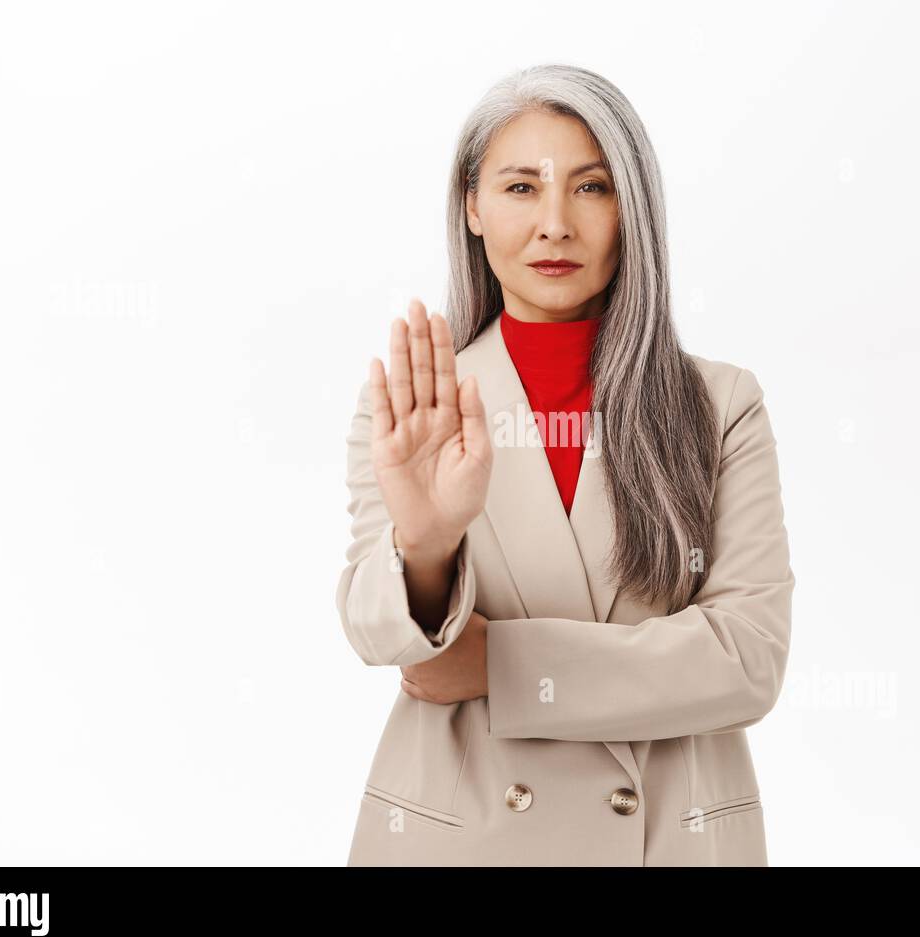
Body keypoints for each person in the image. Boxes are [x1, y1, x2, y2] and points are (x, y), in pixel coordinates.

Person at [336, 63, 796, 866]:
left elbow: (747, 660)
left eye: (591, 188)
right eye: (520, 188)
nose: (555, 224)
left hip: (668, 838)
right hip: (465, 837)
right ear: (472, 207)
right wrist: (428, 544)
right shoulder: (415, 409)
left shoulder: (720, 405)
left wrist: (501, 667)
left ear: (633, 212)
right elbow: (383, 640)